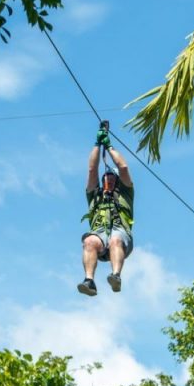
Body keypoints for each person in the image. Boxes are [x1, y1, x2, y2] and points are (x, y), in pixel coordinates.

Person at [79, 123, 133, 296]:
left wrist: (109, 146)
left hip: (120, 234)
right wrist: (97, 144)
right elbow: (92, 169)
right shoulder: (94, 195)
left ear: (117, 181)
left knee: (115, 239)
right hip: (100, 234)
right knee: (89, 241)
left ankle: (116, 276)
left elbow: (123, 167)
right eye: (106, 177)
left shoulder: (125, 194)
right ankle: (89, 281)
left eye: (112, 177)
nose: (108, 179)